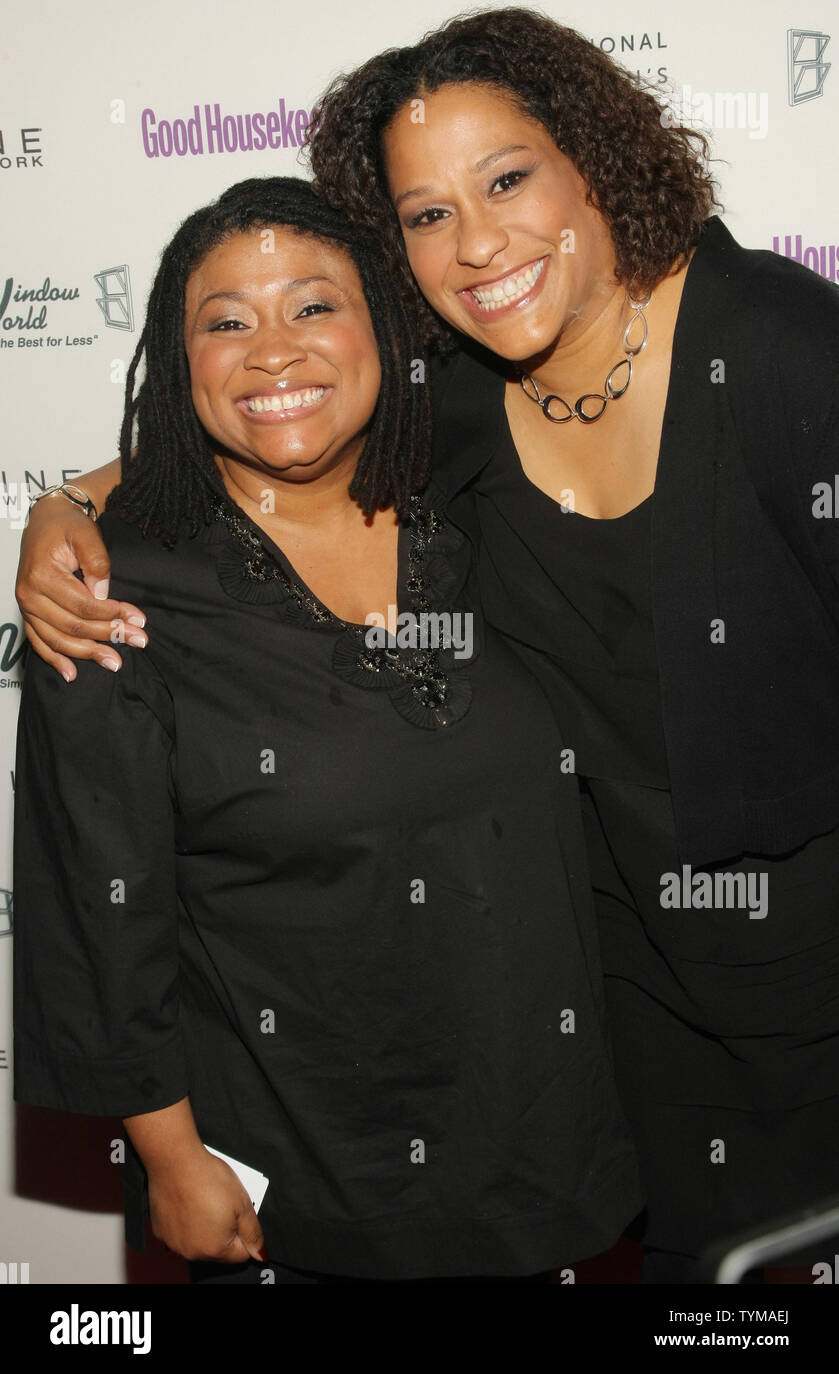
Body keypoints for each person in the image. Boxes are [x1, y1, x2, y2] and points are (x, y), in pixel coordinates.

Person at [17, 9, 839, 1285]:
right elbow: (271, 412)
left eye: (504, 179)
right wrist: (65, 502)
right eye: (424, 215)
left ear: (591, 158)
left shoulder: (782, 359)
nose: (476, 243)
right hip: (613, 1046)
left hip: (787, 1011)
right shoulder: (460, 403)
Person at [12, 175, 642, 1284]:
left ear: (384, 333)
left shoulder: (486, 501)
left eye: (313, 306)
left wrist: (61, 493)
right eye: (226, 323)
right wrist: (168, 1154)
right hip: (300, 1190)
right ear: (179, 359)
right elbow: (94, 917)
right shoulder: (114, 591)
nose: (272, 351)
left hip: (548, 1154)